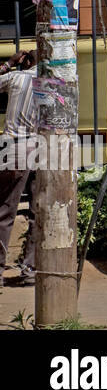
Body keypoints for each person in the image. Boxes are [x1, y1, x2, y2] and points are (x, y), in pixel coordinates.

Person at [0, 50, 38, 287]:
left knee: (5, 212)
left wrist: (9, 64)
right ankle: (30, 269)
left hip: (15, 149)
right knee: (38, 212)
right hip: (47, 150)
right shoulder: (56, 81)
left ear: (27, 61)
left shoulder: (17, 77)